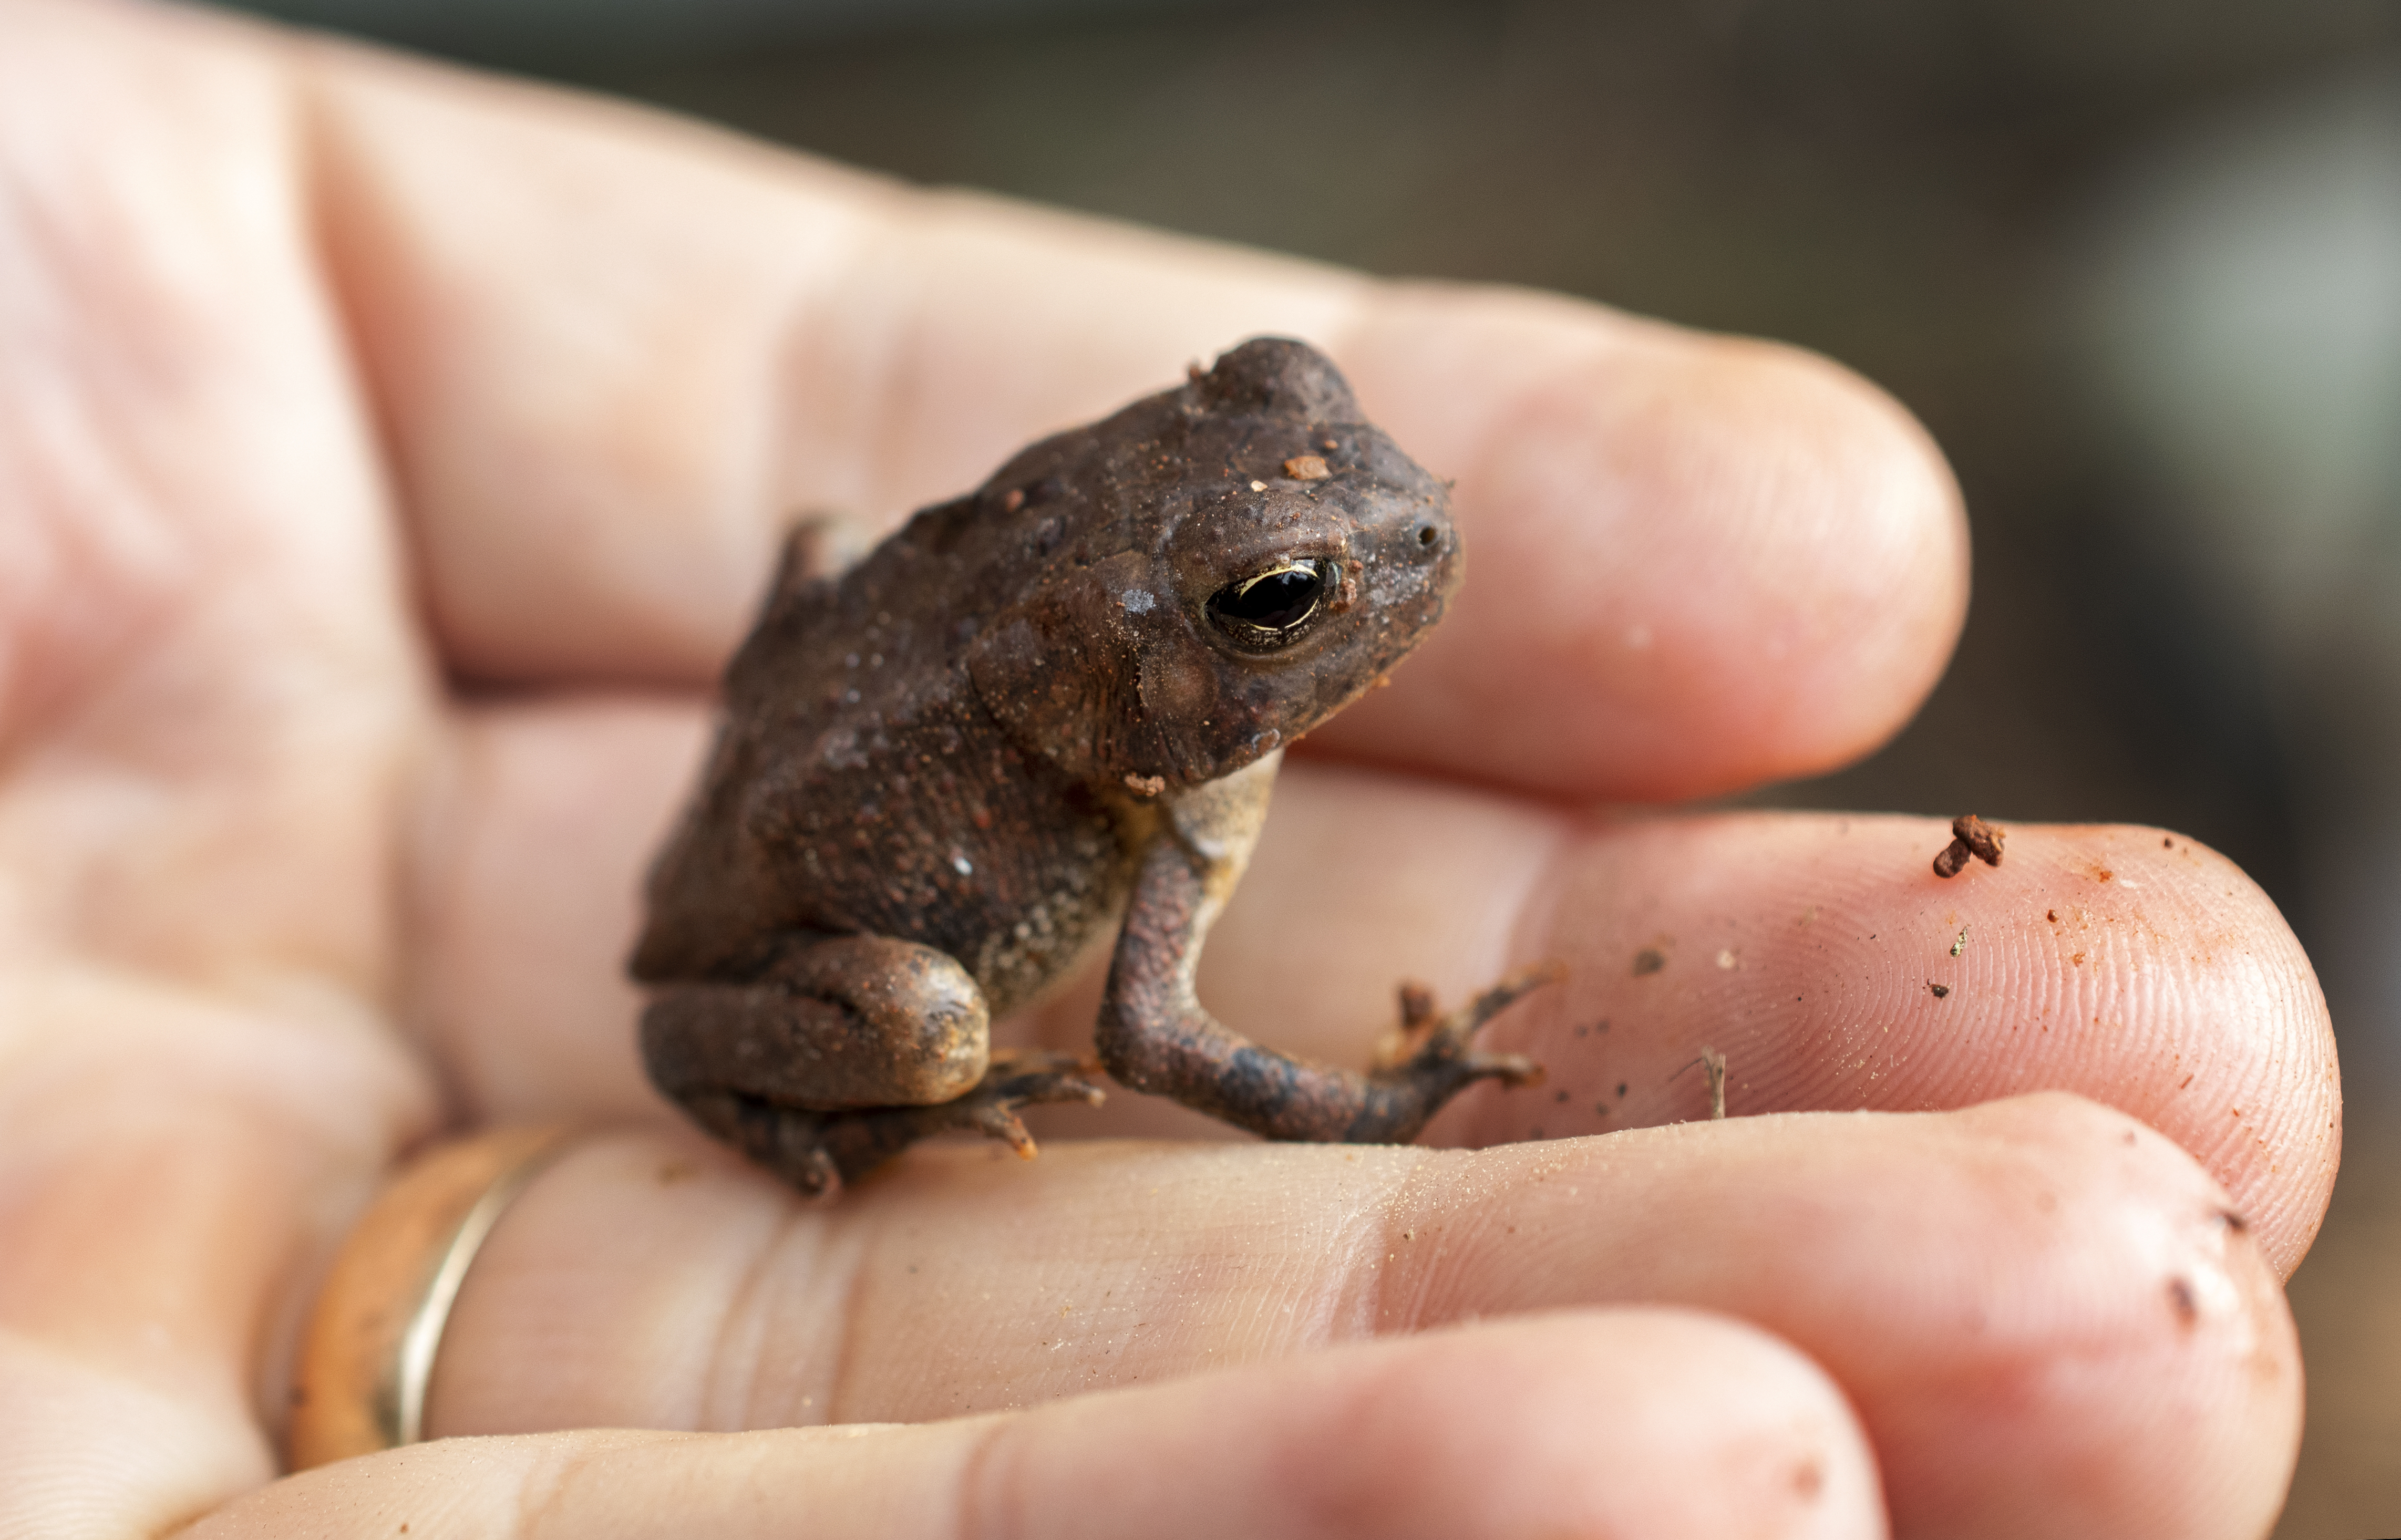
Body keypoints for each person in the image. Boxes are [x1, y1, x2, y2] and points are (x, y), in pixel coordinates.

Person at [0, 1, 2336, 1535]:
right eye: (1287, 604)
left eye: (1306, 425)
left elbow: (855, 566)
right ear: (1190, 684)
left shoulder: (1180, 702)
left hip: (895, 666)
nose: (1392, 521)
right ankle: (848, 1090)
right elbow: (1151, 1030)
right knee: (932, 1016)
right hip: (817, 913)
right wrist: (1390, 1109)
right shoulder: (1141, 776)